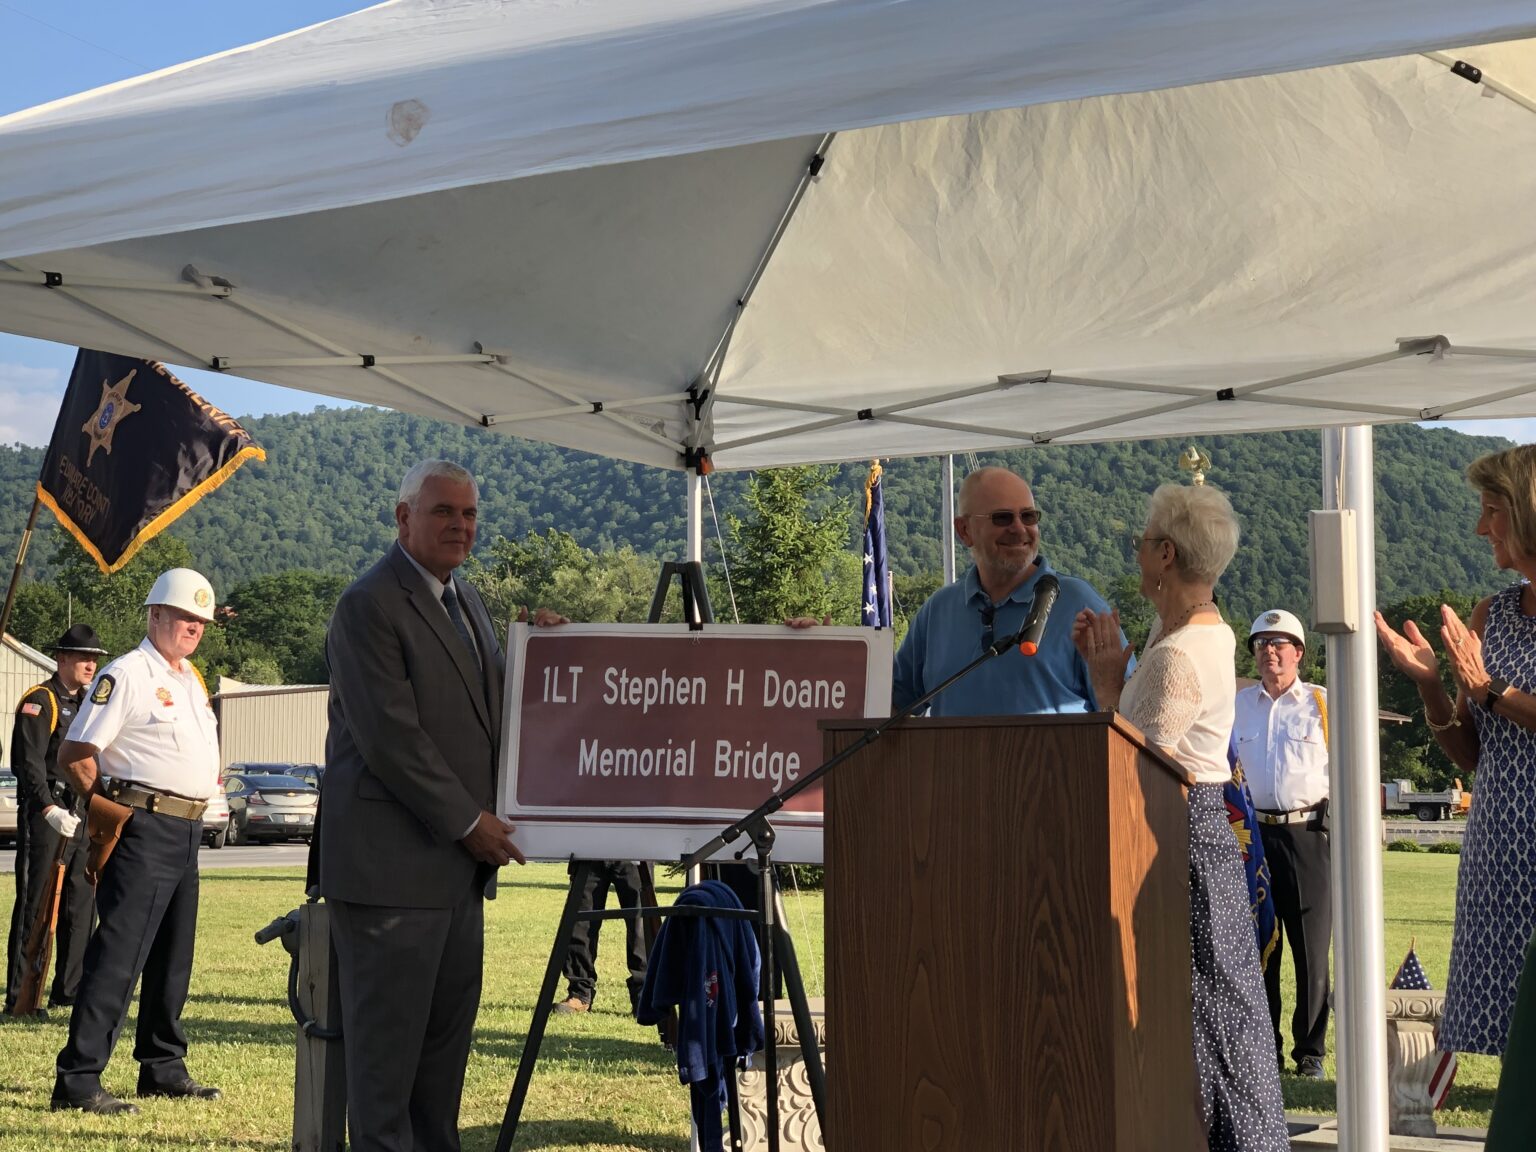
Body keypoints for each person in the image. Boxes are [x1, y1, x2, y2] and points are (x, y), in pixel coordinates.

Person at [321, 459, 562, 1152]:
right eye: (443, 511)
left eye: (470, 514)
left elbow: (484, 709)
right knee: (385, 1079)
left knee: (439, 1077)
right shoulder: (368, 604)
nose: (460, 525)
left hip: (455, 879)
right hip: (392, 880)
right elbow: (394, 740)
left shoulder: (467, 600)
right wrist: (468, 823)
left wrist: (544, 649)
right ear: (403, 517)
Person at [1075, 483, 1288, 1151]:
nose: (1137, 553)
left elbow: (1133, 772)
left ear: (1164, 554)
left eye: (1144, 543)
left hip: (1179, 846)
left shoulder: (1175, 654)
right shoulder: (1194, 630)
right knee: (1222, 1023)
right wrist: (1115, 675)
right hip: (1195, 842)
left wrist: (1108, 685)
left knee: (1214, 1033)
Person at [1376, 443, 1536, 1060]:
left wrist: (1491, 689)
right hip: (1500, 859)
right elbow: (1475, 756)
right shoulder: (1491, 615)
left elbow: (1493, 699)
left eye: (1492, 510)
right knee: (1515, 1049)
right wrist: (1433, 685)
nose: (1479, 527)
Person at [51, 570, 223, 1115]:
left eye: (199, 621)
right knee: (118, 957)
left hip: (188, 827)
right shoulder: (126, 674)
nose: (192, 628)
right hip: (143, 825)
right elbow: (76, 753)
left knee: (174, 956)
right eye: (183, 617)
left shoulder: (190, 678)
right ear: (155, 615)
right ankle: (78, 1079)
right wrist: (107, 808)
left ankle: (162, 1067)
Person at [891, 466, 1120, 715]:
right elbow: (891, 706)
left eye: (1029, 516)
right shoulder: (938, 611)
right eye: (1002, 518)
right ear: (964, 530)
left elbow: (1126, 709)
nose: (1019, 529)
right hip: (953, 756)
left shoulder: (1079, 603)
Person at [1232, 609, 1331, 1079]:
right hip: (1252, 835)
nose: (1270, 651)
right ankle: (1263, 1046)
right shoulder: (1237, 707)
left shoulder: (1323, 704)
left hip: (1309, 834)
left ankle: (1309, 1052)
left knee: (1310, 948)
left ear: (1299, 653)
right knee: (1259, 945)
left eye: (1280, 643)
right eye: (1261, 643)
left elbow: (1350, 773)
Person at [4, 623, 109, 1016]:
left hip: (81, 813)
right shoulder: (40, 700)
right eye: (83, 658)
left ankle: (67, 990)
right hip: (46, 814)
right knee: (35, 904)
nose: (89, 665)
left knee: (81, 905)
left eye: (95, 660)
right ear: (62, 658)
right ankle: (19, 996)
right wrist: (48, 808)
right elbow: (27, 763)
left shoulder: (88, 705)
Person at [552, 859, 651, 1016]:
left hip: (636, 847)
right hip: (589, 849)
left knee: (642, 926)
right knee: (580, 923)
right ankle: (579, 993)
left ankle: (645, 996)